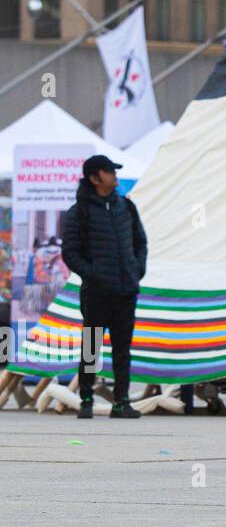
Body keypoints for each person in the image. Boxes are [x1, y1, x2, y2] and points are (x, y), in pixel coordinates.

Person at [62, 155, 148, 419]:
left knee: (123, 349)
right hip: (96, 293)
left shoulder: (126, 207)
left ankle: (121, 402)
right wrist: (94, 274)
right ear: (95, 178)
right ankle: (86, 399)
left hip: (126, 291)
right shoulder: (79, 212)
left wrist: (137, 269)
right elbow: (70, 253)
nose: (115, 175)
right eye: (109, 171)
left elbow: (140, 242)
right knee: (91, 346)